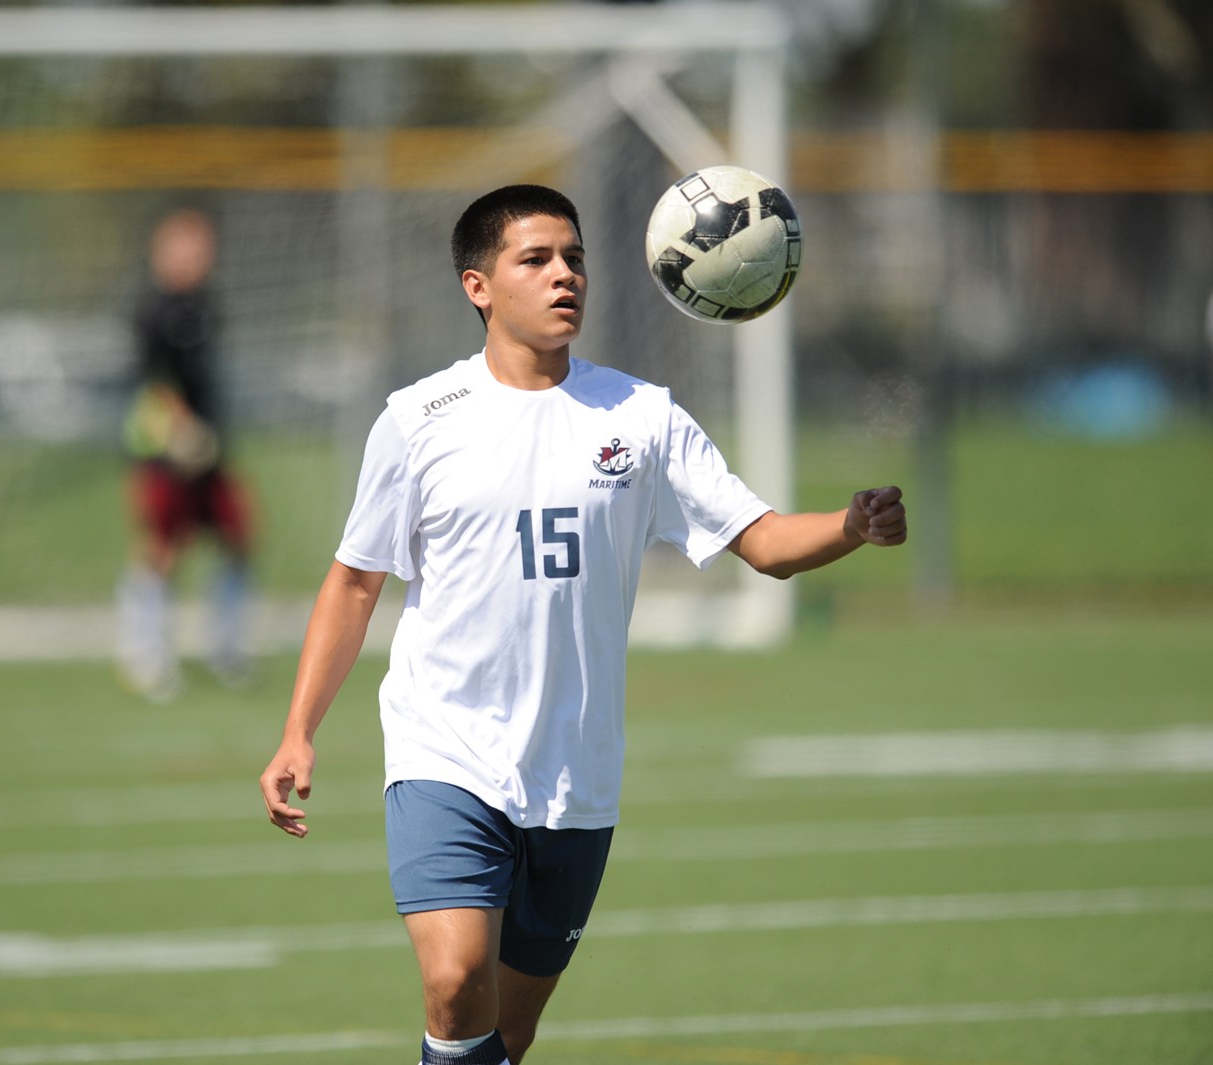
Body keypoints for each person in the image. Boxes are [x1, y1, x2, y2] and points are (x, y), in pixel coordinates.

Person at [258, 185, 907, 1065]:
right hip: (444, 751)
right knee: (455, 985)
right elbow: (354, 583)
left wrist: (849, 526)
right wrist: (299, 730)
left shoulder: (642, 417)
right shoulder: (418, 421)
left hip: (575, 773)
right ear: (478, 285)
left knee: (509, 1033)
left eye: (575, 257)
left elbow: (761, 542)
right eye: (536, 259)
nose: (565, 275)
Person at [117, 207, 254, 700]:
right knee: (161, 548)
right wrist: (181, 430)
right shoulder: (151, 309)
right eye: (187, 247)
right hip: (165, 451)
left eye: (203, 247)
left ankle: (227, 648)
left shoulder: (207, 304)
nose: (198, 257)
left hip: (209, 449)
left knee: (239, 537)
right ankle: (145, 654)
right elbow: (152, 383)